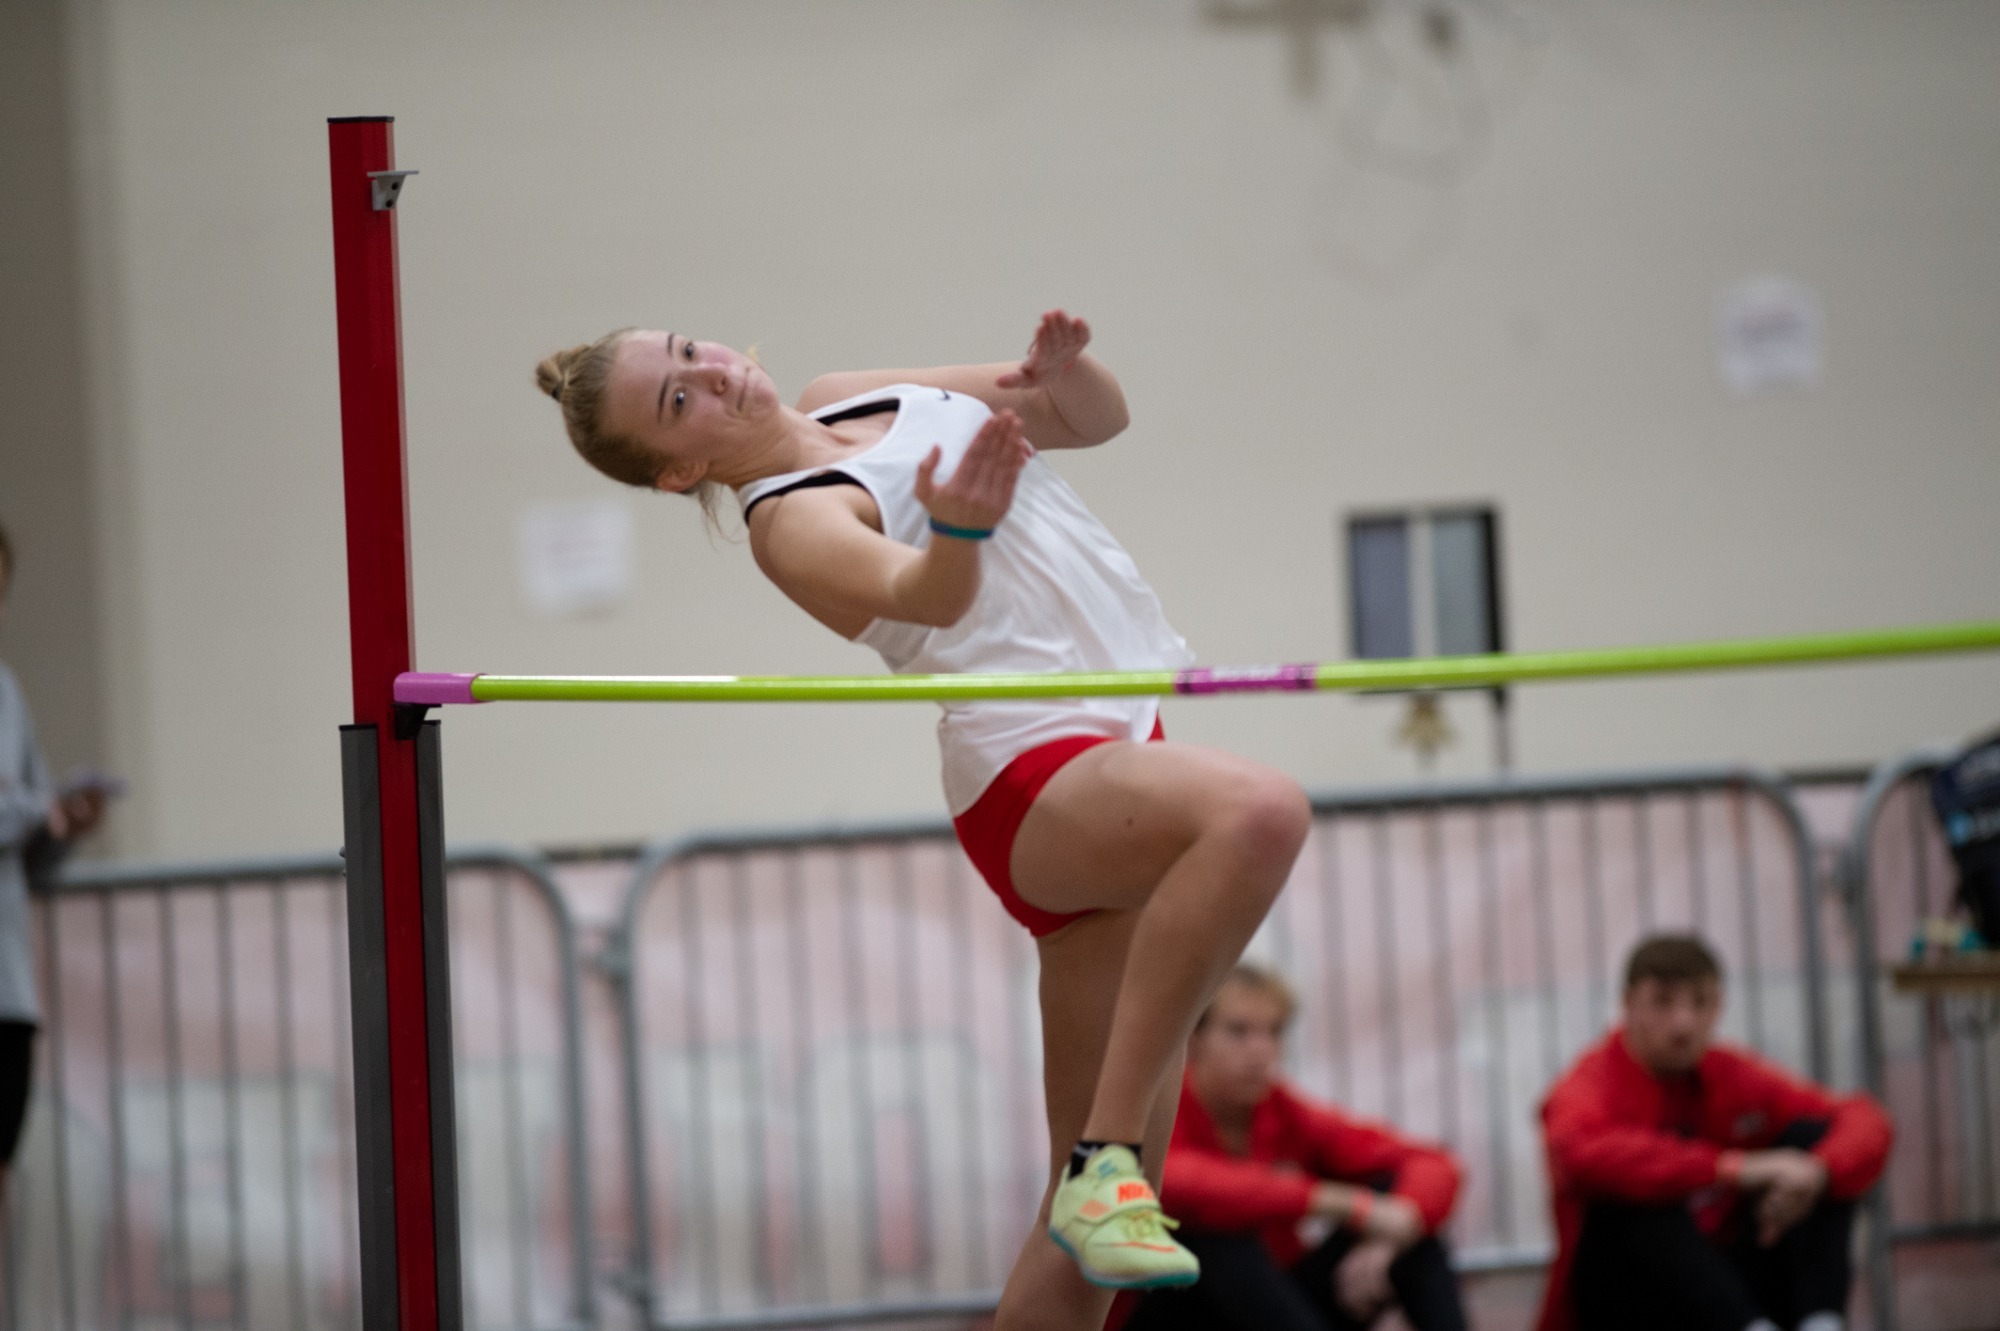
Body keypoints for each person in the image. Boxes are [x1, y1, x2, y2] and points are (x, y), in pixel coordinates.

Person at [536, 312, 1312, 1329]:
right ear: (676, 474)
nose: (715, 376)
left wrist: (1064, 374)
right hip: (1038, 771)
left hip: (1127, 744)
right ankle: (1105, 1155)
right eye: (679, 399)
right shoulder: (790, 521)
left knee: (1078, 1257)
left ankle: (1095, 1176)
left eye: (694, 350)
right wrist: (954, 528)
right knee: (1259, 812)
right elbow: (927, 596)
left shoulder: (845, 386)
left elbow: (1090, 420)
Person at [1537, 933, 1893, 1331]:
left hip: (1730, 1278)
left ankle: (1820, 1322)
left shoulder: (1730, 1074)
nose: (1683, 1022)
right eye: (1663, 1002)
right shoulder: (1590, 1082)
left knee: (1811, 1142)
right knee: (1634, 1196)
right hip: (1628, 1298)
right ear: (1628, 1005)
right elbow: (1581, 1151)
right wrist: (1736, 1168)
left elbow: (1864, 1119)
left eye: (1700, 1003)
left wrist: (1817, 1171)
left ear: (1718, 1008)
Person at [1122, 964, 1468, 1331]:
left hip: (1276, 1302)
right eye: (1238, 1031)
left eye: (1275, 1032)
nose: (1262, 1050)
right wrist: (1346, 1205)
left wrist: (1390, 1238)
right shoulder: (1161, 1107)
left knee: (1408, 1224)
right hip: (1176, 1312)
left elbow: (1433, 1162)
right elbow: (1175, 1183)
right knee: (1213, 1236)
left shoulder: (1282, 1110)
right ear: (1192, 1039)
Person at [0, 522, 108, 1203]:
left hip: (7, 987)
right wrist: (35, 811)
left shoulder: (6, 691)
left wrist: (66, 823)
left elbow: (33, 850)